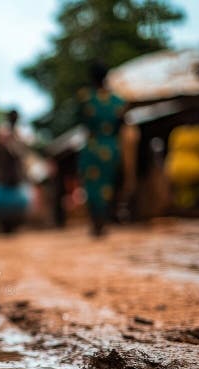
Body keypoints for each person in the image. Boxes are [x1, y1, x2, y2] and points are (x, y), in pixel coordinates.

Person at [77, 62, 125, 237]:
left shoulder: (86, 99)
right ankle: (105, 221)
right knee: (108, 185)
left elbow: (82, 123)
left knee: (92, 186)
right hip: (111, 147)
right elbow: (122, 125)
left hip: (93, 146)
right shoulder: (118, 101)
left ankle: (96, 222)